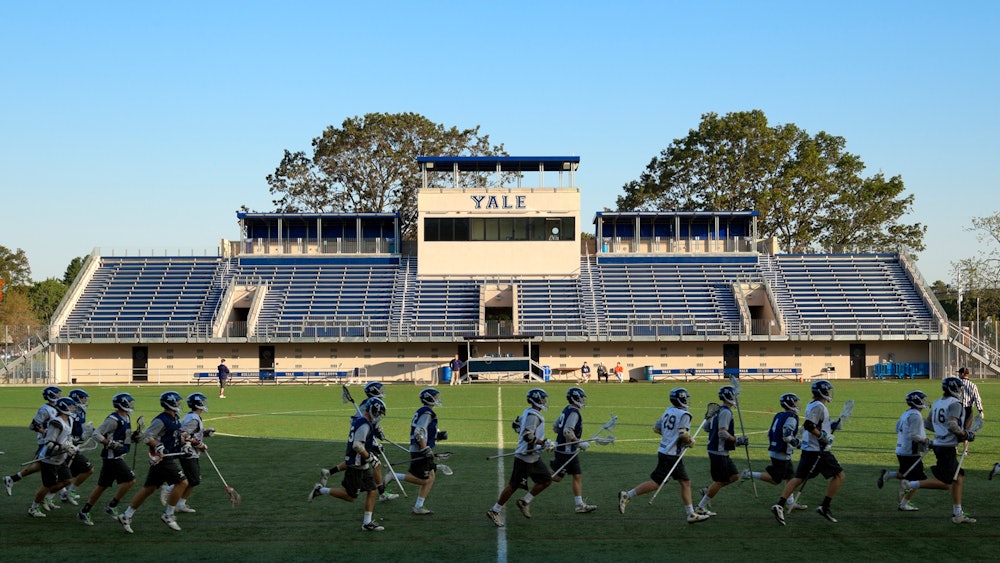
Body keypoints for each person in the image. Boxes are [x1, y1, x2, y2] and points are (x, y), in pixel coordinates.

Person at [617, 388, 710, 524]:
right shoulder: (685, 414)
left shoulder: (668, 410)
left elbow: (656, 428)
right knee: (682, 482)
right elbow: (683, 434)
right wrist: (690, 441)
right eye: (686, 398)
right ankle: (690, 513)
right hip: (672, 455)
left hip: (664, 451)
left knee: (663, 482)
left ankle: (628, 495)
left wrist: (670, 437)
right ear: (681, 399)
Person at [898, 377, 976, 524]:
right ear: (953, 388)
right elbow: (952, 425)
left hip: (939, 444)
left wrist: (941, 432)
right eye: (959, 388)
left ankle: (957, 513)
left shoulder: (938, 402)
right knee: (948, 483)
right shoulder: (955, 404)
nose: (960, 391)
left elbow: (928, 423)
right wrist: (964, 434)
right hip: (946, 447)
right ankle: (911, 484)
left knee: (958, 477)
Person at [770, 379, 845, 525]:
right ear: (823, 391)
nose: (830, 393)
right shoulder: (818, 406)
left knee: (798, 478)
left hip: (809, 449)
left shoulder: (813, 405)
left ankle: (779, 505)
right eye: (828, 390)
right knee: (839, 475)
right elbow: (810, 425)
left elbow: (815, 423)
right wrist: (823, 436)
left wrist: (831, 425)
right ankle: (824, 506)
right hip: (817, 450)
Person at [309, 397, 388, 532]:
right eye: (378, 413)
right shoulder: (364, 424)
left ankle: (367, 523)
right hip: (356, 466)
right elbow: (357, 445)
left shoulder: (363, 422)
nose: (378, 416)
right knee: (350, 497)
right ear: (372, 410)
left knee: (372, 490)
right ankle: (320, 490)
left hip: (362, 464)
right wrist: (371, 458)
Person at [116, 391, 190, 534]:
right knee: (182, 483)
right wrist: (157, 445)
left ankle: (126, 515)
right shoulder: (161, 420)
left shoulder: (175, 417)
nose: (180, 404)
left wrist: (185, 444)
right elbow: (147, 436)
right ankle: (168, 514)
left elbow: (176, 436)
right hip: (161, 459)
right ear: (171, 402)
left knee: (149, 488)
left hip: (166, 457)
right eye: (178, 401)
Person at [320, 382, 399, 502]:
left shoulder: (373, 403)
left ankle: (328, 472)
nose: (382, 391)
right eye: (380, 389)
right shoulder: (367, 405)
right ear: (374, 391)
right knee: (374, 464)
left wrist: (378, 432)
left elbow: (373, 423)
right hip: (362, 438)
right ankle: (382, 493)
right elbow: (360, 422)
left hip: (366, 436)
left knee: (356, 461)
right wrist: (372, 442)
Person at [487, 388, 555, 527]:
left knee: (546, 480)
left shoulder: (529, 412)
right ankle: (495, 511)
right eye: (543, 399)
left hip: (534, 457)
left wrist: (540, 445)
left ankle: (524, 501)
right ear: (536, 399)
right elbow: (527, 436)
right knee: (513, 485)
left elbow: (516, 425)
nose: (545, 401)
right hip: (525, 457)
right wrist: (543, 442)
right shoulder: (533, 416)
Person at [76, 393, 140, 526]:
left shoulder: (126, 417)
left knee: (102, 486)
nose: (131, 404)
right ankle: (112, 505)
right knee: (130, 480)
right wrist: (109, 443)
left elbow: (124, 435)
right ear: (122, 403)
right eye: (129, 402)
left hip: (117, 455)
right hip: (112, 457)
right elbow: (96, 434)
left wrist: (134, 437)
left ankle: (85, 511)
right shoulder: (113, 419)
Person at [742, 393, 808, 512]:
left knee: (790, 476)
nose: (797, 404)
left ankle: (790, 502)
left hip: (776, 449)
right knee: (776, 479)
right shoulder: (791, 417)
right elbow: (787, 436)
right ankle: (749, 474)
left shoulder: (779, 415)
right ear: (790, 403)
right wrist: (798, 443)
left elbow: (770, 433)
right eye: (795, 402)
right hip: (781, 452)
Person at [694, 386, 748, 518]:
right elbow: (722, 433)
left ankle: (708, 490)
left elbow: (707, 428)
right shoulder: (725, 412)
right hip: (718, 451)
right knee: (719, 481)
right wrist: (738, 440)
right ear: (729, 396)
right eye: (734, 395)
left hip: (719, 450)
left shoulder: (718, 411)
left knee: (734, 476)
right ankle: (700, 507)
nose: (735, 398)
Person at [159, 393, 214, 513]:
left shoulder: (194, 417)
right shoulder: (193, 419)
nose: (205, 404)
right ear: (198, 404)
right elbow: (183, 436)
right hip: (187, 452)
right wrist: (199, 444)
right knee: (194, 479)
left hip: (192, 452)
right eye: (203, 402)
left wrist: (204, 433)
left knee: (194, 479)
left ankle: (181, 504)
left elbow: (193, 432)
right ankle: (168, 489)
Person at [876, 390, 929, 511]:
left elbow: (897, 428)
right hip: (910, 451)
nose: (924, 401)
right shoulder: (915, 415)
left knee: (906, 473)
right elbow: (914, 436)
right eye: (922, 399)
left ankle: (888, 475)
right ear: (917, 401)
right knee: (918, 480)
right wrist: (926, 441)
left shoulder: (907, 413)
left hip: (901, 449)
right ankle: (904, 503)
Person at [4, 386, 62, 496]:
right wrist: (45, 432)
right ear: (51, 395)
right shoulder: (45, 409)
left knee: (44, 466)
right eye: (58, 393)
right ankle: (52, 495)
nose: (60, 395)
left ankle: (12, 479)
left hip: (53, 440)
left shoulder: (57, 407)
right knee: (49, 467)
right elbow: (33, 425)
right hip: (45, 441)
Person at [27, 397, 78, 518]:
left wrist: (72, 444)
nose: (73, 408)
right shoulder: (56, 422)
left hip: (60, 458)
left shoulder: (69, 419)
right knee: (47, 485)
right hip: (49, 459)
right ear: (64, 407)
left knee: (67, 480)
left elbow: (67, 437)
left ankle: (46, 498)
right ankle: (33, 508)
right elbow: (49, 443)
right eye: (71, 406)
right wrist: (63, 448)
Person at [551, 387, 597, 514]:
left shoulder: (567, 409)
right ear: (576, 398)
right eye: (582, 397)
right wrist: (579, 442)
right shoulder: (574, 413)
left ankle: (579, 505)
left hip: (569, 449)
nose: (583, 400)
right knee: (557, 478)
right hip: (565, 451)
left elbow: (555, 427)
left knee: (577, 475)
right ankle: (535, 473)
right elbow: (567, 431)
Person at [396, 387, 441, 514]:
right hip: (420, 449)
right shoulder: (427, 412)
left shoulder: (426, 411)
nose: (438, 398)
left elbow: (425, 432)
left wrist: (438, 436)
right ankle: (394, 476)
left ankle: (418, 506)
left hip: (423, 447)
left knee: (431, 476)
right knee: (423, 479)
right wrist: (424, 448)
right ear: (429, 398)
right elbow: (419, 432)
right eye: (435, 396)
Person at [61, 389, 95, 506]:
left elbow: (79, 431)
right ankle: (64, 493)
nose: (85, 400)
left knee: (67, 473)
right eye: (83, 397)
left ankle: (65, 493)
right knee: (85, 470)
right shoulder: (72, 413)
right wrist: (71, 440)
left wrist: (87, 432)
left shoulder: (80, 411)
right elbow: (67, 429)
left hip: (74, 445)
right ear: (77, 398)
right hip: (68, 445)